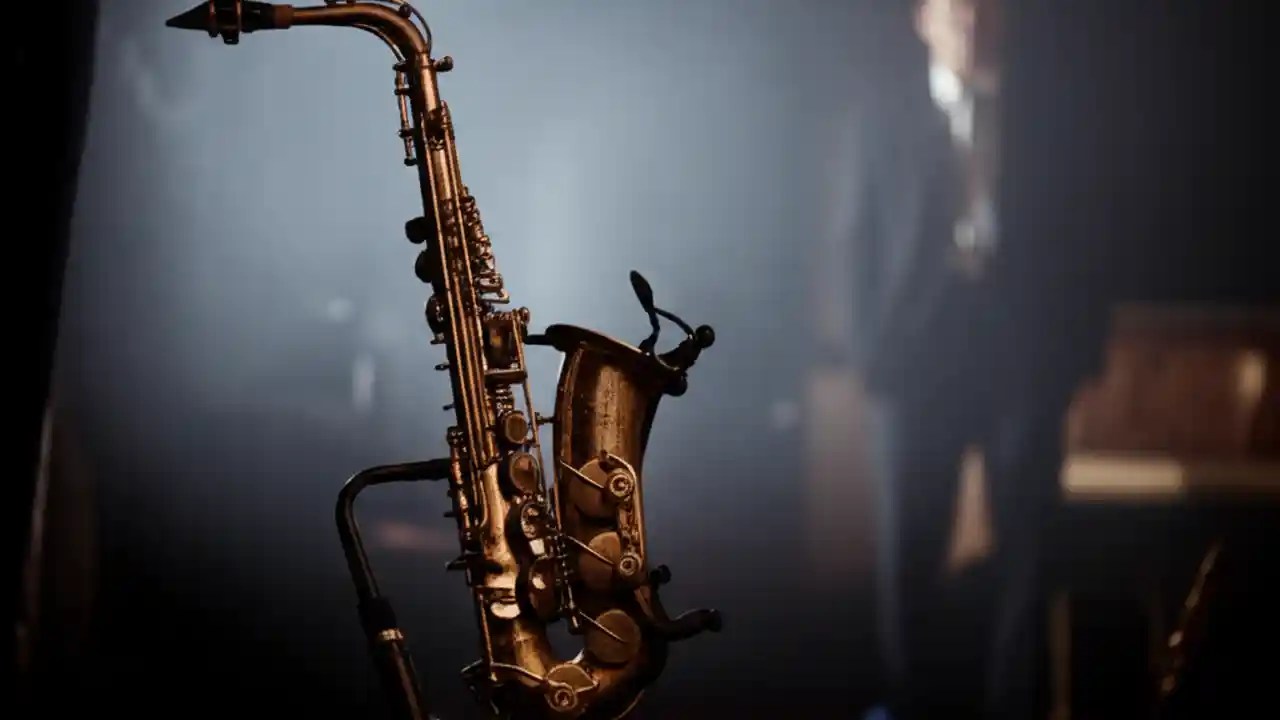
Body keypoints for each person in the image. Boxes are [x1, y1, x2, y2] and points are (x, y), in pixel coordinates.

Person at [849, 0, 1086, 717]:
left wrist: (1075, 360)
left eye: (985, 11)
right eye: (956, 11)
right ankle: (910, 702)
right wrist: (871, 357)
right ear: (924, 19)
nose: (972, 24)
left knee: (1027, 545)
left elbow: (1084, 241)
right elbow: (853, 242)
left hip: (1020, 355)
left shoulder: (1046, 116)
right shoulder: (881, 115)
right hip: (916, 359)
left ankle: (1016, 703)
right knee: (909, 548)